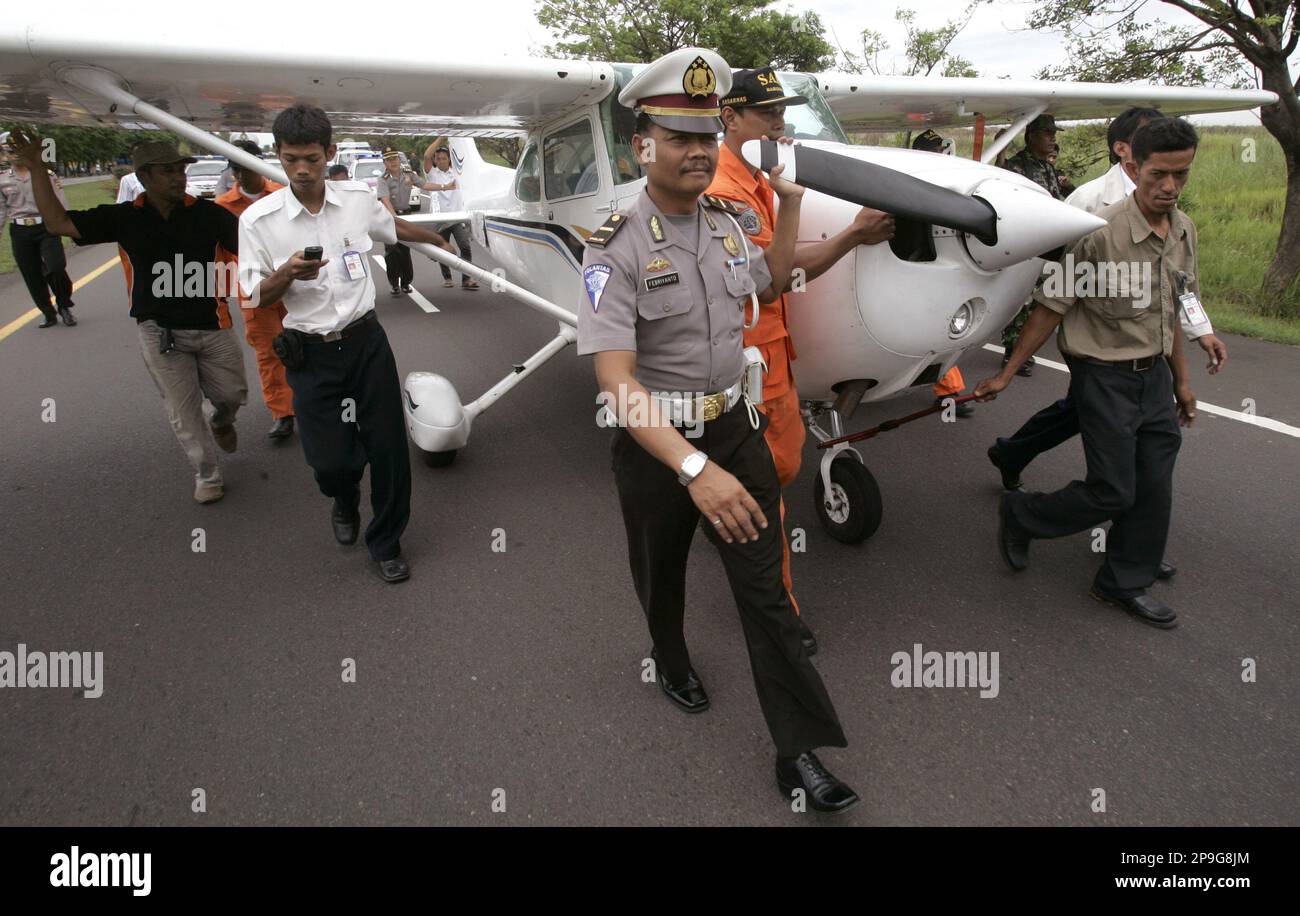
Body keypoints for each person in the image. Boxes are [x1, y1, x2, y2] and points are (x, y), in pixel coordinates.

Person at [578, 48, 857, 813]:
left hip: (735, 425)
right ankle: (669, 659)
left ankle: (798, 755)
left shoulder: (733, 219)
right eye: (678, 135)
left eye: (706, 134)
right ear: (643, 146)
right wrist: (694, 472)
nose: (697, 150)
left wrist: (790, 204)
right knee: (661, 575)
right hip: (658, 447)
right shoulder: (614, 244)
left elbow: (766, 283)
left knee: (767, 597)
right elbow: (615, 383)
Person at [974, 118, 1206, 630]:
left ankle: (1123, 578)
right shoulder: (1098, 236)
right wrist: (1007, 374)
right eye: (1159, 175)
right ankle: (1022, 514)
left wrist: (1184, 382)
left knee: (1153, 485)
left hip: (1155, 379)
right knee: (1113, 490)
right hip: (1104, 378)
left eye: (1181, 176)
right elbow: (1050, 307)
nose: (1169, 187)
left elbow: (1172, 308)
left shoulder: (1183, 231)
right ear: (1134, 167)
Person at [708, 64, 896, 656]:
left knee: (782, 468)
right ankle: (778, 614)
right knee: (765, 486)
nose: (779, 124)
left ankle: (723, 506)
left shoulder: (762, 175)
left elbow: (777, 256)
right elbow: (769, 279)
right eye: (766, 114)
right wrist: (851, 239)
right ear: (728, 118)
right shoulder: (723, 188)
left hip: (772, 355)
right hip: (743, 360)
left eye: (782, 113)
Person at [238, 105, 456, 583]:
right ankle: (342, 496)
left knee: (389, 451)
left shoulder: (358, 198)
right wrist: (286, 274)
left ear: (329, 153)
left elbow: (392, 229)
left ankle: (386, 542)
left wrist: (438, 240)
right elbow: (253, 295)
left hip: (365, 343)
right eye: (291, 158)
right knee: (331, 461)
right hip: (310, 351)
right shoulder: (259, 221)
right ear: (278, 155)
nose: (301, 169)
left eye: (312, 158)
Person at [988, 107, 1227, 505]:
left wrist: (1200, 333)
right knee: (1102, 433)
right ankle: (1102, 512)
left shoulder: (1176, 219)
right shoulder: (1090, 202)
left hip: (1141, 350)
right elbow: (1057, 288)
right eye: (1151, 139)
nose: (1170, 178)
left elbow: (1177, 288)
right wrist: (1009, 368)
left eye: (1179, 171)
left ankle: (1019, 456)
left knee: (1090, 418)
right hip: (1099, 349)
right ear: (1125, 152)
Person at [11, 130, 248, 504]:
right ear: (144, 178)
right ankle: (207, 472)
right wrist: (38, 168)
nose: (178, 176)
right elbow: (57, 223)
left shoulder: (211, 215)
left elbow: (252, 253)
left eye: (179, 169)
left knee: (232, 396)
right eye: (166, 171)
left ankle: (221, 419)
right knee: (183, 411)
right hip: (160, 333)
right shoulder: (124, 218)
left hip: (213, 325)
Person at [215, 140, 294, 441]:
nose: (241, 174)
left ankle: (313, 399)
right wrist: (220, 302)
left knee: (309, 342)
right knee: (270, 352)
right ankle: (283, 413)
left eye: (247, 166)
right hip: (255, 292)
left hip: (294, 283)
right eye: (236, 167)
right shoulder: (222, 207)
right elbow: (219, 257)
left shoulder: (284, 195)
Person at [910, 129, 975, 417]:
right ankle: (948, 391)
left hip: (936, 264)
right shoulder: (910, 182)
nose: (941, 154)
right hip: (916, 263)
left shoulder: (942, 181)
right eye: (934, 150)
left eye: (940, 149)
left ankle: (949, 390)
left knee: (943, 326)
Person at [998, 114, 1069, 378]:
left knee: (1038, 298)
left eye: (1054, 134)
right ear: (1031, 136)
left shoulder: (1047, 167)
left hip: (1047, 242)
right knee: (1023, 298)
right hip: (1027, 243)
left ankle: (1021, 349)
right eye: (1047, 134)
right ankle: (1012, 350)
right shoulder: (1018, 166)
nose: (1052, 139)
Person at [0, 146, 78, 328]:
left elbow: (61, 201)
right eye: (9, 151)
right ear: (4, 154)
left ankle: (64, 305)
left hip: (47, 226)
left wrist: (69, 227)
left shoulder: (45, 174)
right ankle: (47, 312)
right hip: (20, 231)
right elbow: (1, 210)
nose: (15, 154)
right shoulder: (2, 179)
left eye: (18, 149)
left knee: (56, 267)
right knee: (31, 274)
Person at [416, 143, 478, 291]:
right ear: (435, 161)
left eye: (444, 158)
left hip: (456, 217)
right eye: (438, 159)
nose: (441, 161)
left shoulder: (457, 173)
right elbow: (426, 156)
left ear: (449, 160)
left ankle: (466, 278)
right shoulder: (432, 174)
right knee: (442, 249)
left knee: (465, 246)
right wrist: (440, 137)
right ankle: (447, 277)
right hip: (440, 219)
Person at [374, 148, 420, 296]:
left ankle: (406, 283)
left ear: (399, 160)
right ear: (384, 163)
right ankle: (394, 284)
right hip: (390, 218)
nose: (393, 162)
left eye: (395, 158)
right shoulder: (383, 179)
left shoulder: (408, 174)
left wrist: (446, 187)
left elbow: (423, 185)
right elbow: (385, 199)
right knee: (392, 252)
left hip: (406, 215)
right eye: (389, 160)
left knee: (405, 250)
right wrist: (394, 217)